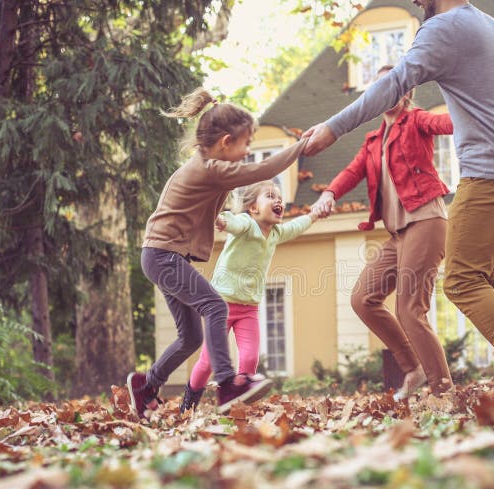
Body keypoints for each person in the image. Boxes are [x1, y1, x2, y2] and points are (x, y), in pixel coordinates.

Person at [304, 0, 494, 398]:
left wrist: (334, 127)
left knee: (463, 281)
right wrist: (331, 191)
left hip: (489, 172)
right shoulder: (493, 27)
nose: (417, 2)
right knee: (483, 278)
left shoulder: (441, 29)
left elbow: (394, 83)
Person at [128, 88, 307, 418]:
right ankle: (227, 384)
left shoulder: (206, 167)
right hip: (162, 255)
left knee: (192, 337)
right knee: (214, 305)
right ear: (226, 142)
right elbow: (263, 171)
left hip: (162, 257)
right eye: (246, 144)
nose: (248, 152)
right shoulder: (211, 169)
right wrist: (304, 145)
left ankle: (146, 385)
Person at [311, 65, 454, 400]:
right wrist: (329, 193)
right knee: (363, 299)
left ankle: (444, 392)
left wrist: (470, 108)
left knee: (410, 310)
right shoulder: (373, 139)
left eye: (392, 86)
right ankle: (413, 368)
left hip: (426, 220)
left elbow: (444, 123)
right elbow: (352, 171)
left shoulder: (417, 119)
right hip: (398, 233)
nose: (385, 91)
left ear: (405, 91)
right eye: (379, 86)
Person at [180, 181, 319, 412]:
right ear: (253, 208)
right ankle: (188, 404)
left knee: (250, 358)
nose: (278, 201)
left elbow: (295, 227)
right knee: (207, 362)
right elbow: (231, 222)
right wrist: (220, 220)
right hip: (221, 304)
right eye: (270, 196)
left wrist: (313, 216)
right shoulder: (246, 224)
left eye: (280, 197)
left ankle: (237, 402)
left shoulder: (275, 233)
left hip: (249, 308)